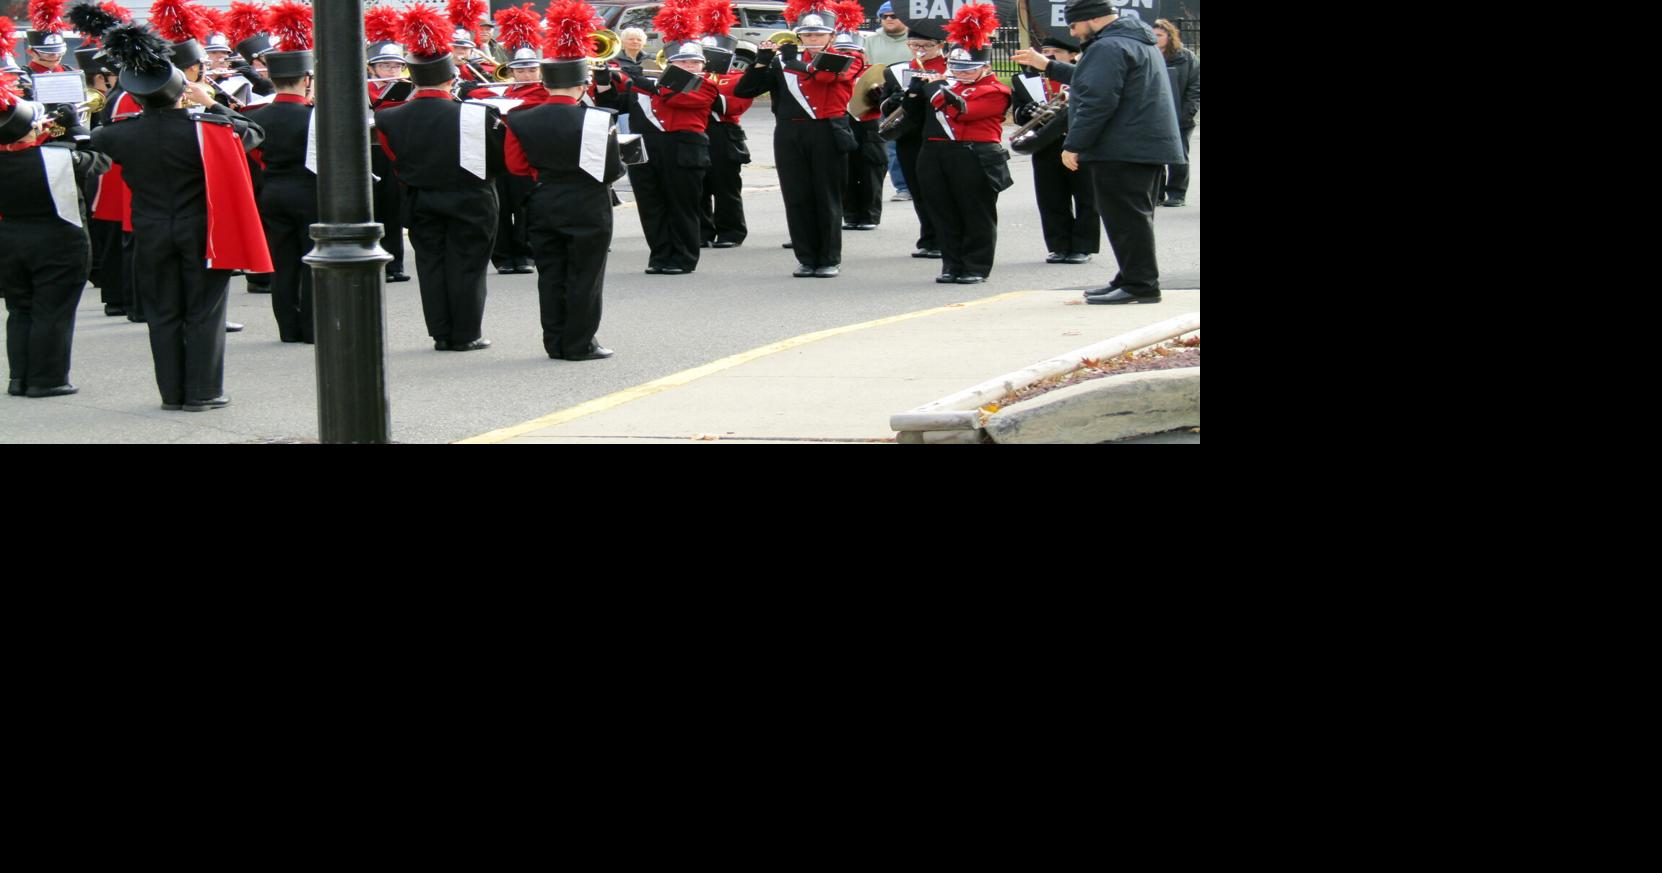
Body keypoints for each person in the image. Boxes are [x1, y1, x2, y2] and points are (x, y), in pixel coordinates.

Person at [91, 21, 270, 411]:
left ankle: (172, 393)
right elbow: (253, 132)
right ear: (179, 91)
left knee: (163, 313)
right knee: (204, 311)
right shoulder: (207, 127)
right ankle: (203, 392)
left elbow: (95, 142)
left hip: (150, 231)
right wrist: (209, 102)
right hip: (201, 231)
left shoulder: (118, 134)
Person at [375, 5, 504, 352]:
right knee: (468, 265)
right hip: (471, 196)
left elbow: (392, 156)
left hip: (420, 196)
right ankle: (466, 333)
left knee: (431, 265)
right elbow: (498, 159)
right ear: (451, 78)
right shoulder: (476, 113)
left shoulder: (390, 118)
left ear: (412, 79)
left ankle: (441, 332)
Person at [502, 1, 626, 361]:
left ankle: (554, 341)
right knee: (585, 276)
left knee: (551, 274)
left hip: (543, 200)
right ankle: (580, 342)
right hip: (587, 202)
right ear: (582, 84)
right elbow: (610, 170)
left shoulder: (520, 120)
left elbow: (516, 166)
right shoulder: (597, 119)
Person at [1047, 0, 1183, 305]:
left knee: (1126, 219)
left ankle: (1140, 284)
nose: (1072, 32)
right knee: (1132, 217)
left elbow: (1097, 100)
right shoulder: (1137, 41)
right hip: (1141, 144)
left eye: (1074, 25)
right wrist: (1051, 66)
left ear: (1092, 19)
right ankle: (1131, 275)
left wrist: (1074, 144)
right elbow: (1094, 82)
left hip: (1120, 147)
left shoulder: (1107, 47)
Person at [1, 72, 112, 398]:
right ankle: (47, 379)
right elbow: (100, 160)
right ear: (29, 129)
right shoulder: (56, 157)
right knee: (53, 311)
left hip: (8, 241)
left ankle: (19, 377)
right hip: (57, 243)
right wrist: (78, 128)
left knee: (20, 310)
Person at [734, 2, 861, 279]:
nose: (812, 39)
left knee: (826, 196)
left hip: (827, 131)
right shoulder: (783, 61)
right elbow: (746, 90)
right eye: (807, 34)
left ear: (831, 36)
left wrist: (792, 62)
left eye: (819, 34)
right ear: (799, 35)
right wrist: (762, 61)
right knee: (797, 196)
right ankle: (806, 257)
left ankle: (828, 258)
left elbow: (828, 77)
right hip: (789, 132)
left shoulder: (846, 56)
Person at [908, 2, 1010, 285]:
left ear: (986, 66)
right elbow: (910, 118)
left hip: (974, 154)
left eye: (969, 68)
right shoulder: (943, 83)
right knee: (942, 211)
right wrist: (912, 94)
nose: (962, 72)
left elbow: (962, 111)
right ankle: (952, 264)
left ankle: (976, 266)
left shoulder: (995, 90)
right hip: (935, 152)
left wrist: (935, 86)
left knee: (975, 213)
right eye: (957, 67)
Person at [242, 14, 316, 344]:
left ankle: (288, 328)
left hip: (272, 189)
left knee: (283, 264)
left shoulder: (256, 115)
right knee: (314, 262)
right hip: (309, 190)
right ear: (305, 79)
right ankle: (314, 327)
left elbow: (254, 155)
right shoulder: (315, 115)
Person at [1010, 36, 1099, 265]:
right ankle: (1059, 245)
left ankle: (1082, 246)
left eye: (1056, 52)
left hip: (1080, 143)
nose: (1048, 57)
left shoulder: (1084, 75)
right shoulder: (1029, 80)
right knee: (1050, 197)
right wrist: (1026, 111)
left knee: (1086, 196)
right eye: (1046, 51)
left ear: (1072, 55)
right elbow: (1018, 114)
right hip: (1046, 143)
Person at [488, 7, 549, 276]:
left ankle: (525, 253)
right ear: (512, 72)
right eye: (520, 70)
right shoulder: (497, 90)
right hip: (498, 154)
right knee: (499, 207)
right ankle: (502, 256)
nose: (526, 75)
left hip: (529, 155)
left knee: (527, 206)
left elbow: (535, 105)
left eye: (532, 69)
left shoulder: (544, 92)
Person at [877, 24, 946, 259]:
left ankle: (943, 237)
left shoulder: (949, 68)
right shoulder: (897, 71)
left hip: (940, 135)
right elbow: (884, 107)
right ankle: (928, 237)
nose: (920, 50)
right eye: (915, 45)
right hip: (909, 136)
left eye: (927, 46)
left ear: (940, 46)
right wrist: (894, 100)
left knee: (938, 189)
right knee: (917, 188)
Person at [699, 11, 755, 249]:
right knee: (697, 185)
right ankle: (701, 231)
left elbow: (735, 106)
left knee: (726, 185)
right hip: (694, 132)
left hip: (723, 132)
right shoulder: (690, 73)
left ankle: (730, 231)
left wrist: (705, 92)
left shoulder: (737, 77)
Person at [366, 38, 411, 284]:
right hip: (370, 152)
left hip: (396, 151)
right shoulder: (363, 88)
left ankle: (395, 264)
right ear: (372, 68)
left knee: (393, 209)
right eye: (385, 66)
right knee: (372, 208)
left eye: (395, 66)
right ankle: (373, 263)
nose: (392, 70)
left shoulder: (407, 87)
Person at [861, 1, 910, 201]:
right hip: (884, 96)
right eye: (884, 16)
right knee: (892, 143)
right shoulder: (871, 40)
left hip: (911, 92)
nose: (888, 19)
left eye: (893, 16)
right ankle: (903, 187)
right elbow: (866, 67)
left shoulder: (915, 38)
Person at [1152, 19, 1198, 208]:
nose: (1156, 39)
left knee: (1178, 155)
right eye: (1153, 35)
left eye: (1160, 35)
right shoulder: (1148, 54)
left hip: (1180, 114)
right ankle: (1158, 193)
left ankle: (1177, 193)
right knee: (1154, 155)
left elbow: (1196, 87)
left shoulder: (1186, 57)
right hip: (1154, 114)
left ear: (1170, 36)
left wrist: (1188, 112)